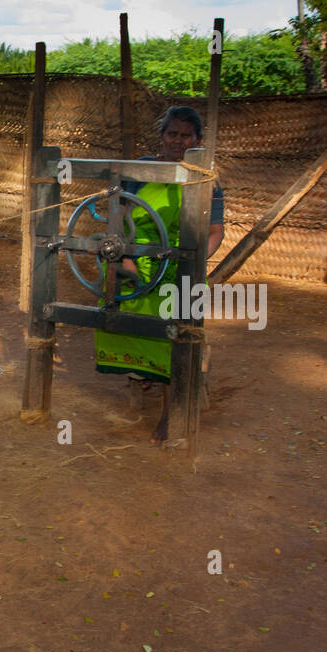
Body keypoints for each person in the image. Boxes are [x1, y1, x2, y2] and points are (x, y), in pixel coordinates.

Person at [94, 105, 225, 444]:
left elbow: (214, 232)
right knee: (114, 306)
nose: (177, 141)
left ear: (197, 140)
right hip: (137, 259)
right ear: (162, 135)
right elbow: (118, 215)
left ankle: (171, 411)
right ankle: (143, 370)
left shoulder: (206, 180)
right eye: (172, 133)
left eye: (185, 135)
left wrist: (194, 264)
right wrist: (126, 256)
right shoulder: (139, 171)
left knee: (176, 325)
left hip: (181, 265)